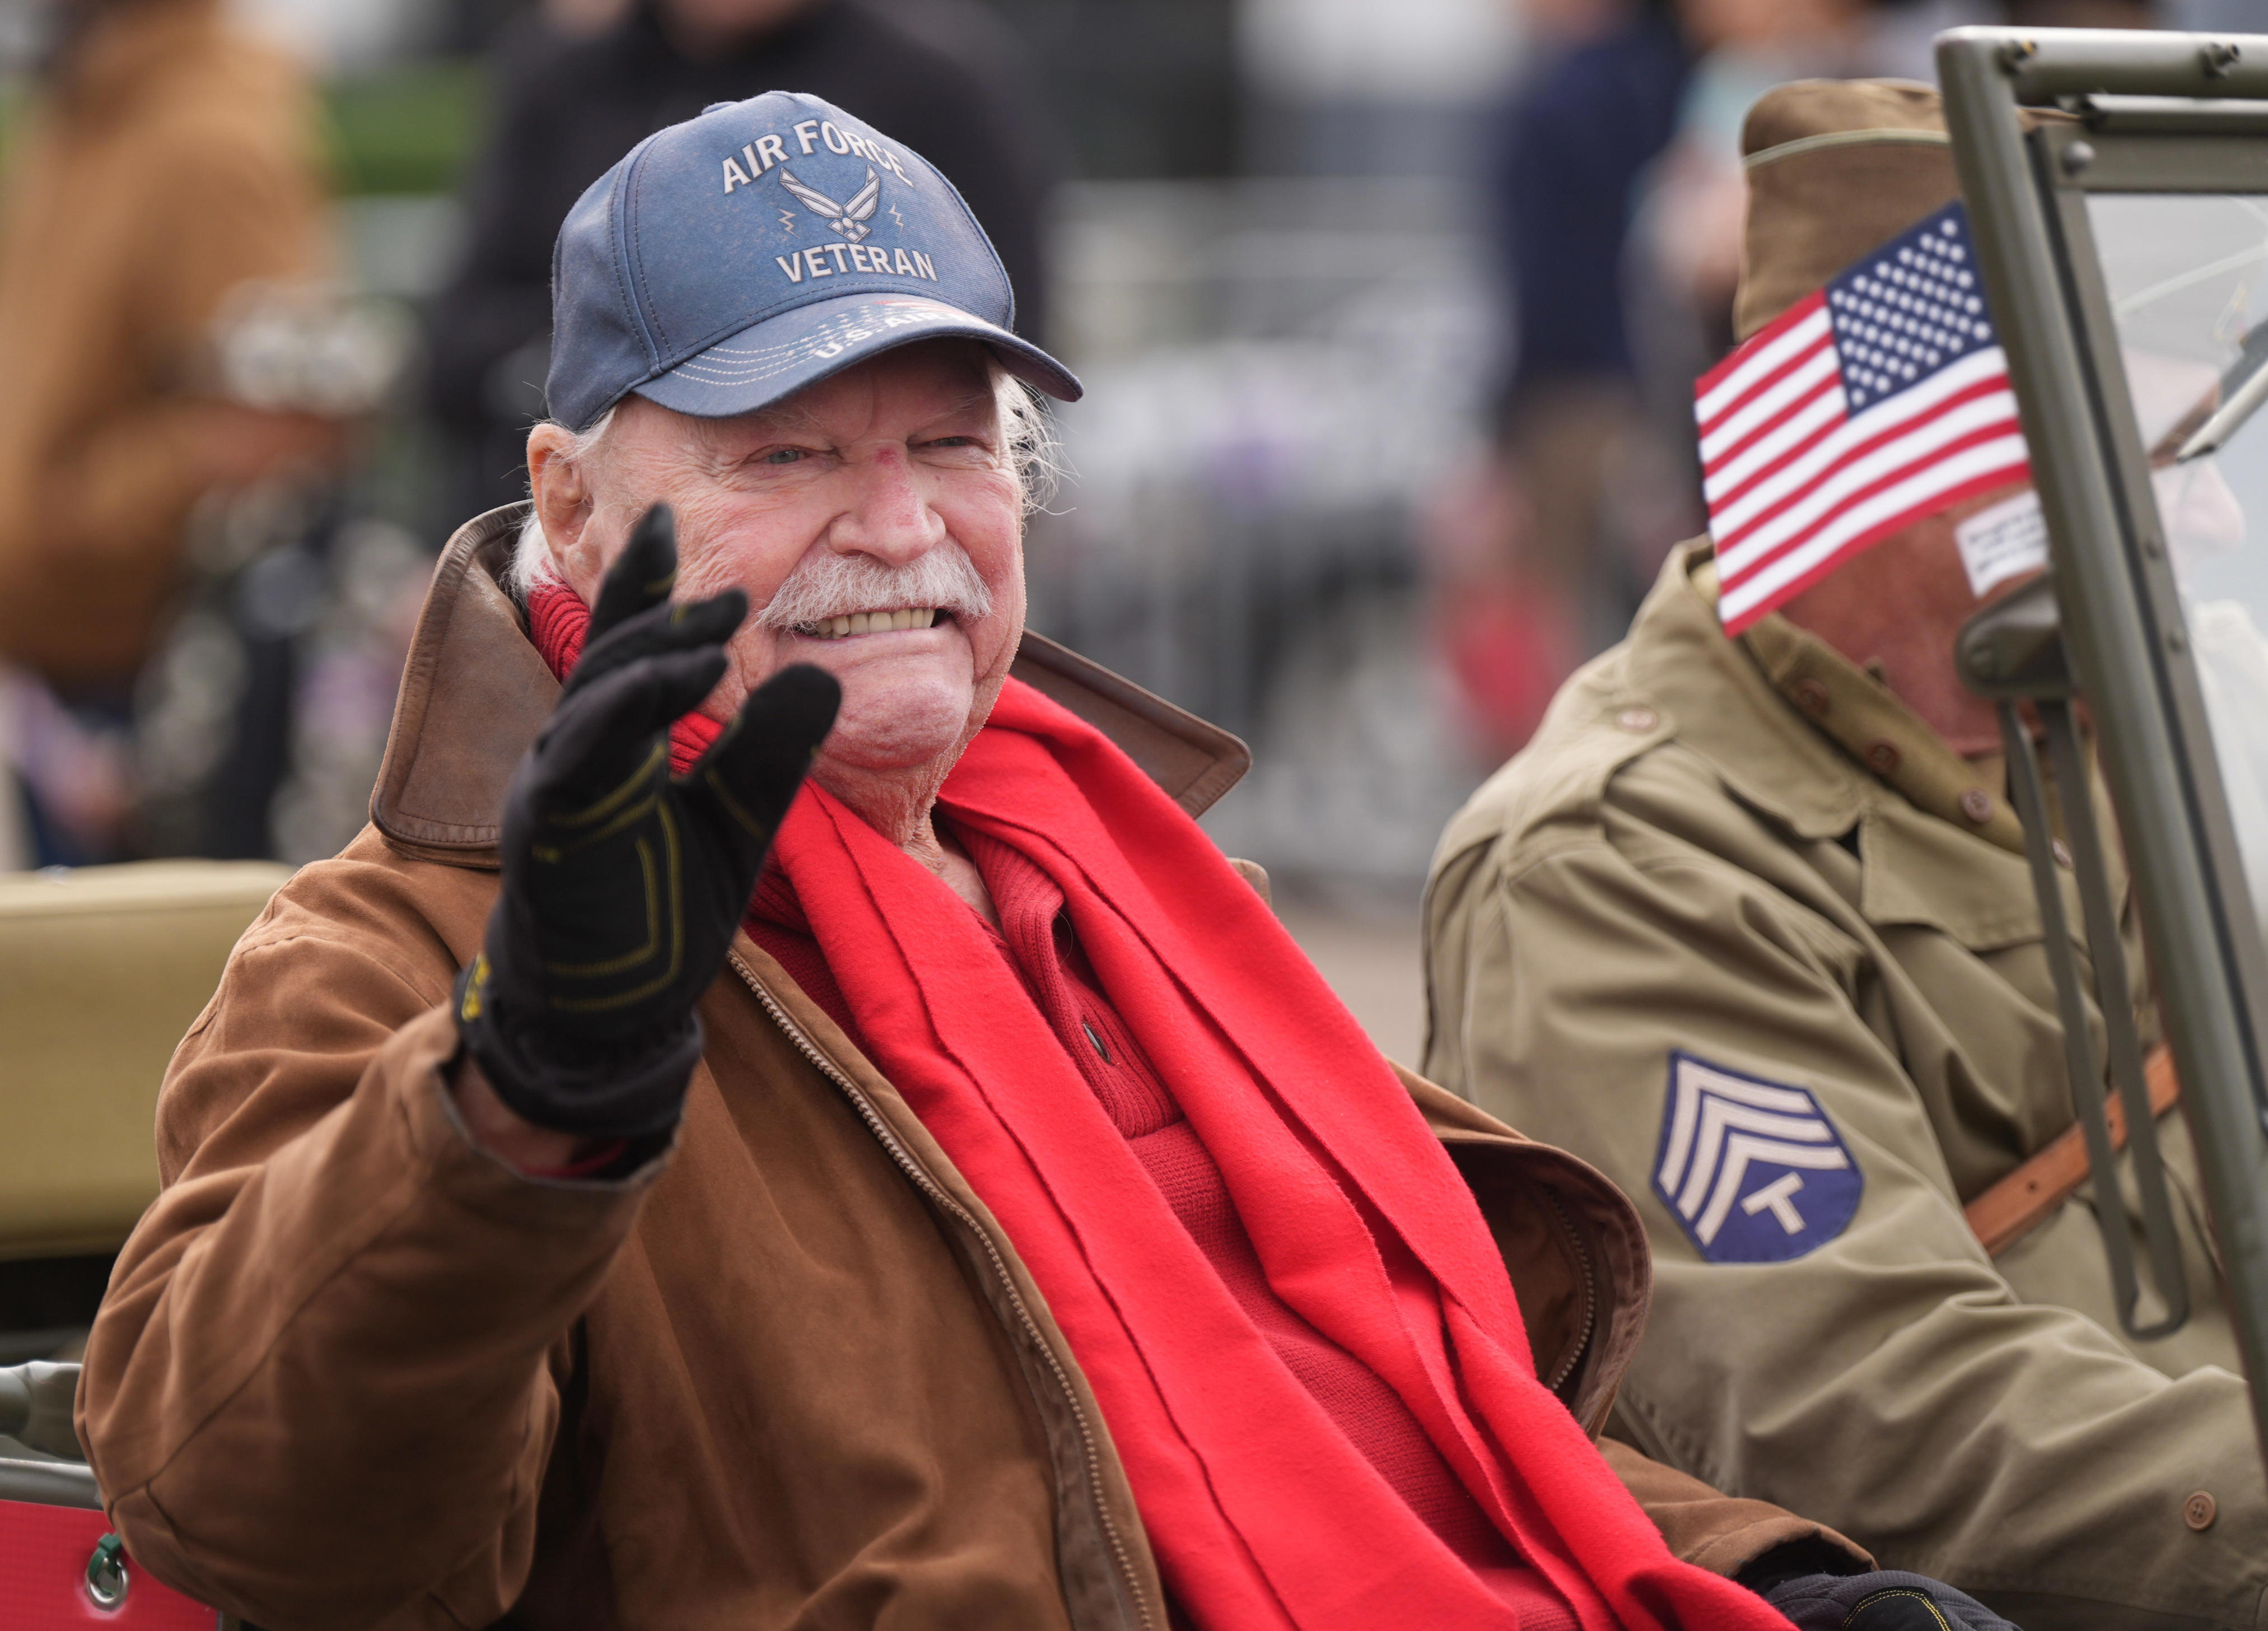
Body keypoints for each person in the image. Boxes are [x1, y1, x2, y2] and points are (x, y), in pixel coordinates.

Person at [77, 91, 2013, 1630]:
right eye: (784, 457)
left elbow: (1416, 1415)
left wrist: (1775, 1573)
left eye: (952, 443)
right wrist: (525, 1099)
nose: (899, 526)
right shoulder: (409, 948)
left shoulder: (1123, 870)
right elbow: (273, 1528)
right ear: (571, 500)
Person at [1423, 78, 2268, 1631]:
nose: (2210, 520)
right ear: (1916, 471)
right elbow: (1866, 1406)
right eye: (2148, 461)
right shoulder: (1622, 862)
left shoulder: (2201, 698)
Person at [426, 0, 1053, 522]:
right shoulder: (563, 75)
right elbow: (453, 352)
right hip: (559, 536)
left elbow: (1007, 347)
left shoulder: (932, 80)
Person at [0, 0, 346, 859]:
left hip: (144, 712)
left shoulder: (211, 138)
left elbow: (281, 423)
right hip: (51, 684)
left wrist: (65, 527)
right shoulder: (81, 104)